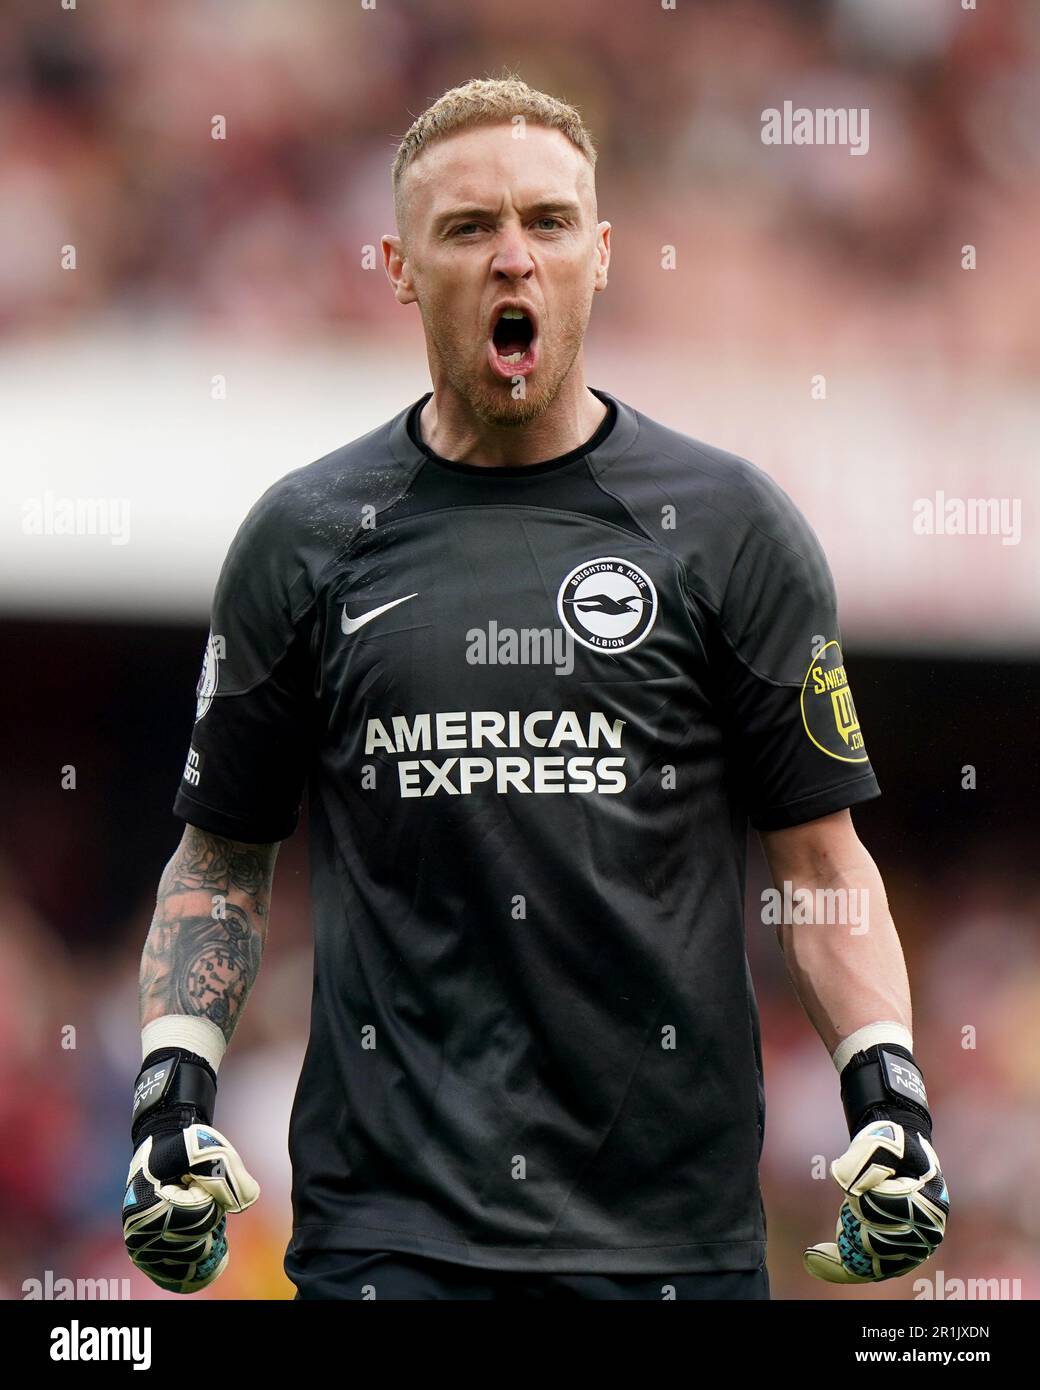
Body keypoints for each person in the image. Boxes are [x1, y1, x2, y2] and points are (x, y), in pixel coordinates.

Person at [122, 75, 948, 1301]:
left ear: (600, 254)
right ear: (400, 266)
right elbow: (220, 861)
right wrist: (167, 1092)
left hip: (670, 1241)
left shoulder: (727, 530)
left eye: (548, 223)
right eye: (468, 229)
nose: (514, 259)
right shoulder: (304, 537)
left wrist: (887, 1086)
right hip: (387, 1239)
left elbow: (821, 861)